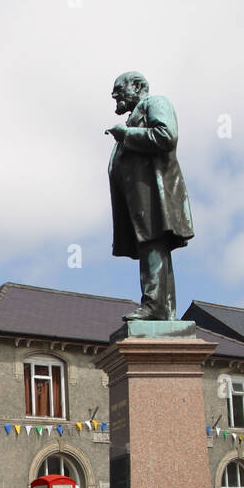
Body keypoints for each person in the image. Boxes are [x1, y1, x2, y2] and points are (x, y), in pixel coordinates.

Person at [106, 71, 194, 321]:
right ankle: (161, 308)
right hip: (141, 198)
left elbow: (166, 136)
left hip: (155, 196)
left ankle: (155, 306)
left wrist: (126, 135)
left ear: (137, 86)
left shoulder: (155, 103)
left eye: (119, 92)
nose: (115, 98)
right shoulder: (136, 114)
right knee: (151, 249)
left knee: (153, 246)